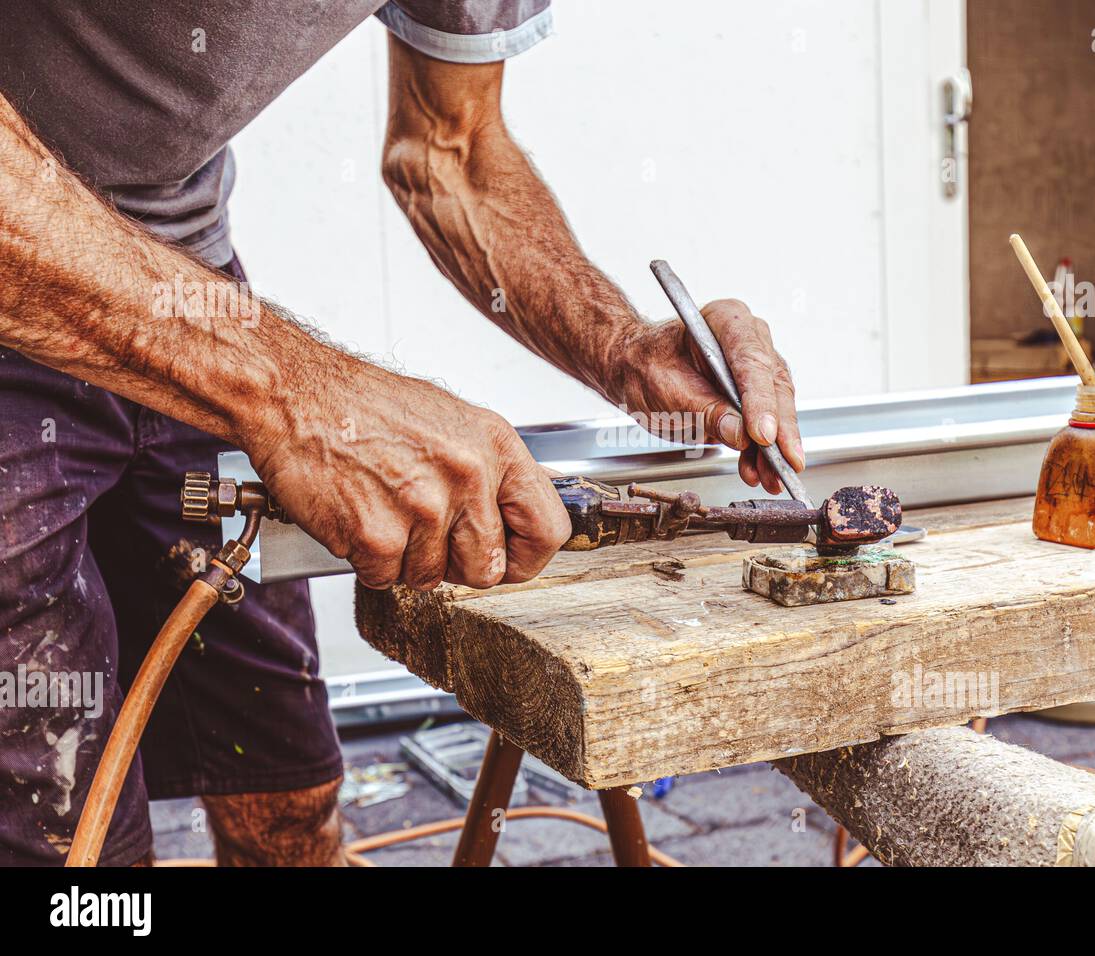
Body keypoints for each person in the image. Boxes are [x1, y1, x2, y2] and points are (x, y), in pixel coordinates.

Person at [0, 2, 802, 865]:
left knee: (287, 800)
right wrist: (298, 399)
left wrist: (623, 348)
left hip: (192, 301)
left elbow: (448, 153)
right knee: (75, 855)